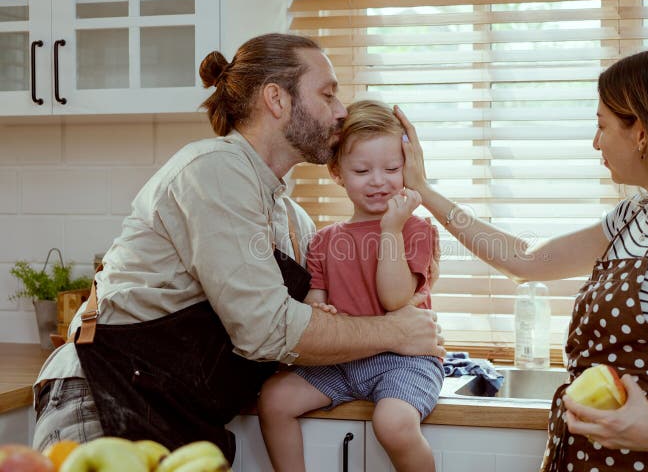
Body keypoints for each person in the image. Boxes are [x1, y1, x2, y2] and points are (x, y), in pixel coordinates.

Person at [30, 34, 444, 464]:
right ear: (276, 99)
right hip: (102, 392)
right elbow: (266, 329)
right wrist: (396, 333)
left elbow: (313, 322)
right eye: (327, 94)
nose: (341, 111)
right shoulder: (214, 169)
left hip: (179, 413)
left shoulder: (293, 220)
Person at [397, 47, 648, 471]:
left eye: (602, 126)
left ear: (643, 132)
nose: (595, 142)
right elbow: (524, 261)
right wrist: (425, 190)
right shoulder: (632, 217)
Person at [258, 100, 443, 472]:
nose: (378, 180)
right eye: (362, 170)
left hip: (404, 362)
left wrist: (391, 228)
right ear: (337, 172)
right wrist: (318, 309)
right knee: (273, 399)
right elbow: (315, 303)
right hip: (342, 358)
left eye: (392, 168)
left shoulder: (417, 230)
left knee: (392, 424)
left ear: (407, 168)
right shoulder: (324, 240)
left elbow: (395, 299)